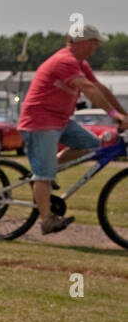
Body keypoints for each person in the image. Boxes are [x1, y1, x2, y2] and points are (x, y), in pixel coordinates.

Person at [18, 25, 128, 234]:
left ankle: (48, 172)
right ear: (84, 42)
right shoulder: (64, 61)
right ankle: (47, 219)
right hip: (40, 122)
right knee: (44, 174)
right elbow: (88, 89)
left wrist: (125, 115)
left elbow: (100, 89)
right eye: (94, 43)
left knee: (92, 145)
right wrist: (114, 116)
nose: (96, 48)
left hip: (60, 120)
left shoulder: (80, 64)